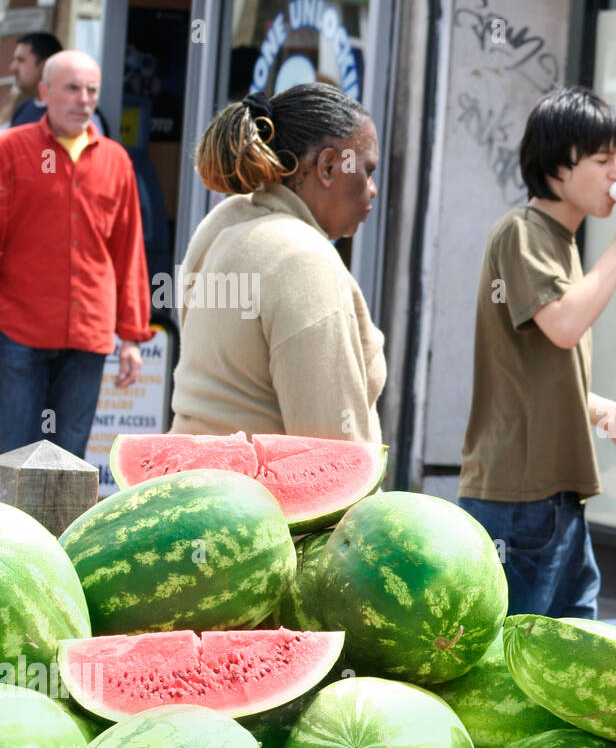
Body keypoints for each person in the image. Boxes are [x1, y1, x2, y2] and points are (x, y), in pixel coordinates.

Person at [459, 85, 616, 621]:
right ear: (555, 167)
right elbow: (565, 326)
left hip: (554, 494)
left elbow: (538, 369)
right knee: (513, 658)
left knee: (571, 649)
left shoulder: (561, 240)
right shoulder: (522, 232)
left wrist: (602, 412)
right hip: (519, 498)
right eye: (602, 159)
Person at [169, 83, 385, 442]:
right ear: (328, 166)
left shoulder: (222, 223)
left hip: (188, 482)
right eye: (368, 170)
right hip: (263, 496)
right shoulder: (304, 259)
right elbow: (330, 448)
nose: (372, 189)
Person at [0, 51, 150, 459]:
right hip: (20, 329)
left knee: (69, 459)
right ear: (45, 92)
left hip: (88, 334)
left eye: (91, 90)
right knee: (12, 454)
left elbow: (128, 247)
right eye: (72, 88)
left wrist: (133, 336)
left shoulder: (116, 160)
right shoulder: (11, 150)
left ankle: (60, 527)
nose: (83, 98)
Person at [6, 34, 109, 135]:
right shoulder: (22, 109)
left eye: (21, 60)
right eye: (73, 88)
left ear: (45, 66)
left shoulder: (81, 115)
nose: (13, 68)